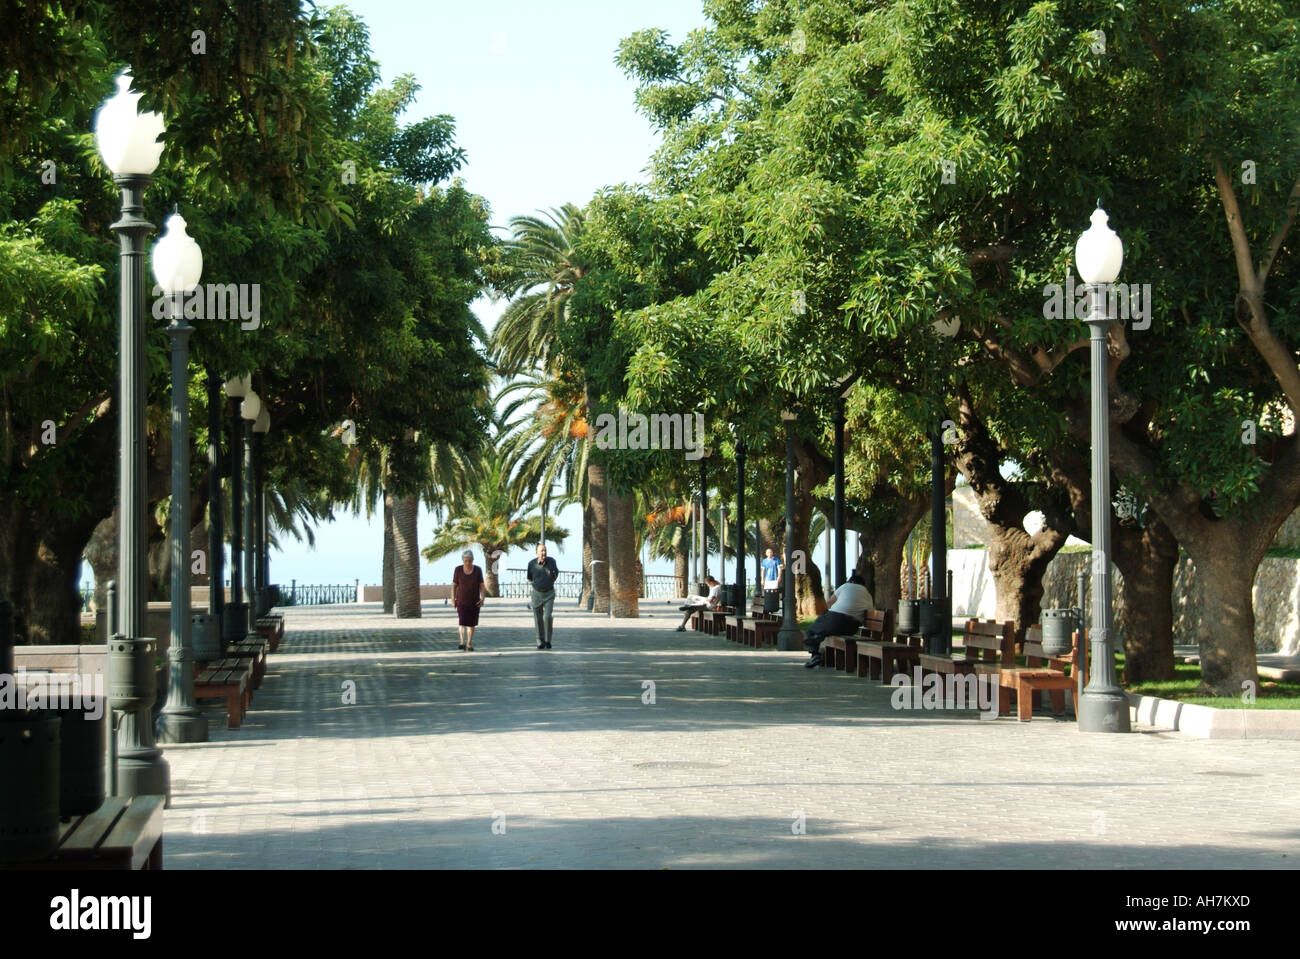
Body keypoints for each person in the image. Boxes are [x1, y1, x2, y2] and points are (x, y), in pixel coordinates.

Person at [803, 573, 874, 667]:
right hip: (852, 627)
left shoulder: (846, 586)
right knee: (825, 629)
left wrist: (826, 615)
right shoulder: (868, 594)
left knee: (811, 630)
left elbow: (829, 603)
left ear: (851, 581)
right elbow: (869, 611)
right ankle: (820, 638)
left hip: (836, 619)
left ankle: (815, 655)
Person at [527, 542, 560, 649]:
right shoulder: (531, 564)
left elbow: (556, 574)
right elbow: (529, 578)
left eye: (545, 550)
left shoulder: (552, 561)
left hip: (549, 593)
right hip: (536, 594)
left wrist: (549, 581)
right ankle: (540, 641)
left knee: (547, 616)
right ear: (537, 553)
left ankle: (547, 640)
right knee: (538, 618)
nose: (544, 552)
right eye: (541, 551)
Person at [452, 550, 485, 651]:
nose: (468, 563)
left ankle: (469, 643)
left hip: (474, 601)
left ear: (473, 560)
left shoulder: (478, 570)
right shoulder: (458, 570)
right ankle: (462, 642)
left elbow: (482, 586)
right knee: (462, 622)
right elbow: (454, 586)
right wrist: (453, 599)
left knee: (471, 624)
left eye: (470, 561)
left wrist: (483, 598)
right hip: (461, 601)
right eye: (466, 561)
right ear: (463, 560)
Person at [760, 547, 782, 613]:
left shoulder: (776, 560)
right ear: (766, 554)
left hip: (774, 579)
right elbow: (763, 571)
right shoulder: (764, 561)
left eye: (771, 552)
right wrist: (762, 579)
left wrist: (779, 576)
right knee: (767, 592)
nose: (770, 553)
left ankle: (773, 607)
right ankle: (768, 607)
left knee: (774, 592)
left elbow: (779, 568)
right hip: (767, 580)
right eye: (768, 552)